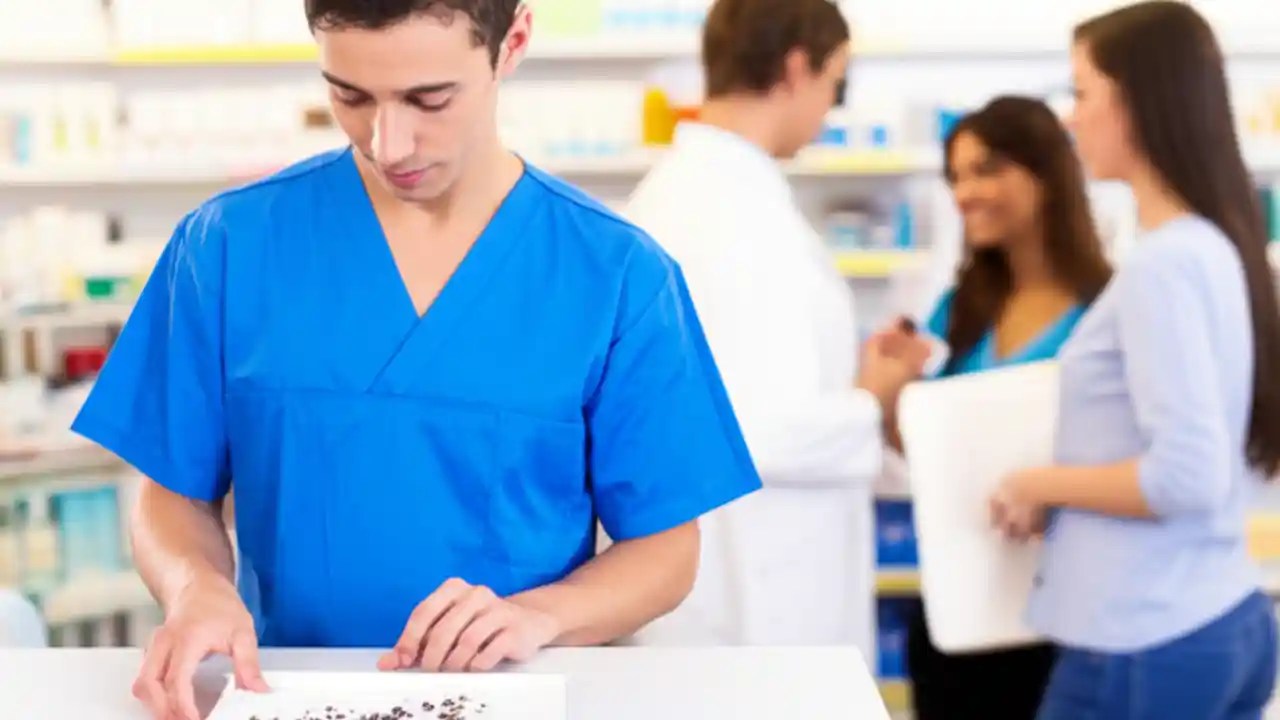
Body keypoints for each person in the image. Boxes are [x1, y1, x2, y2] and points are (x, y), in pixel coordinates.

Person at [70, 2, 763, 719]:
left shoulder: (616, 274)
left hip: (513, 692)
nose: (388, 143)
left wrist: (545, 614)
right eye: (350, 96)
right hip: (283, 693)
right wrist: (196, 588)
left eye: (428, 100)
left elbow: (667, 550)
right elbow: (172, 494)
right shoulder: (226, 247)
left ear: (513, 43)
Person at [990, 3, 1280, 717]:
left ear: (1137, 104)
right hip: (1216, 617)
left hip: (1143, 641)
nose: (1070, 116)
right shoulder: (1212, 245)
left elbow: (1186, 475)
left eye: (1083, 93)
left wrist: (1038, 483)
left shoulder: (1164, 265)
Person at [624, 0, 932, 649]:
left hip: (735, 584)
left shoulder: (697, 194)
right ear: (796, 68)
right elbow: (757, 432)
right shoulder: (729, 214)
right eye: (833, 82)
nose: (831, 107)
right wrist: (872, 395)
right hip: (758, 599)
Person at [900, 96, 1112, 720]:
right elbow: (922, 452)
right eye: (957, 176)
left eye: (987, 170)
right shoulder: (958, 310)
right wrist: (888, 389)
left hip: (1064, 619)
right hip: (959, 606)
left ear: (1047, 173)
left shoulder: (1107, 310)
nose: (967, 192)